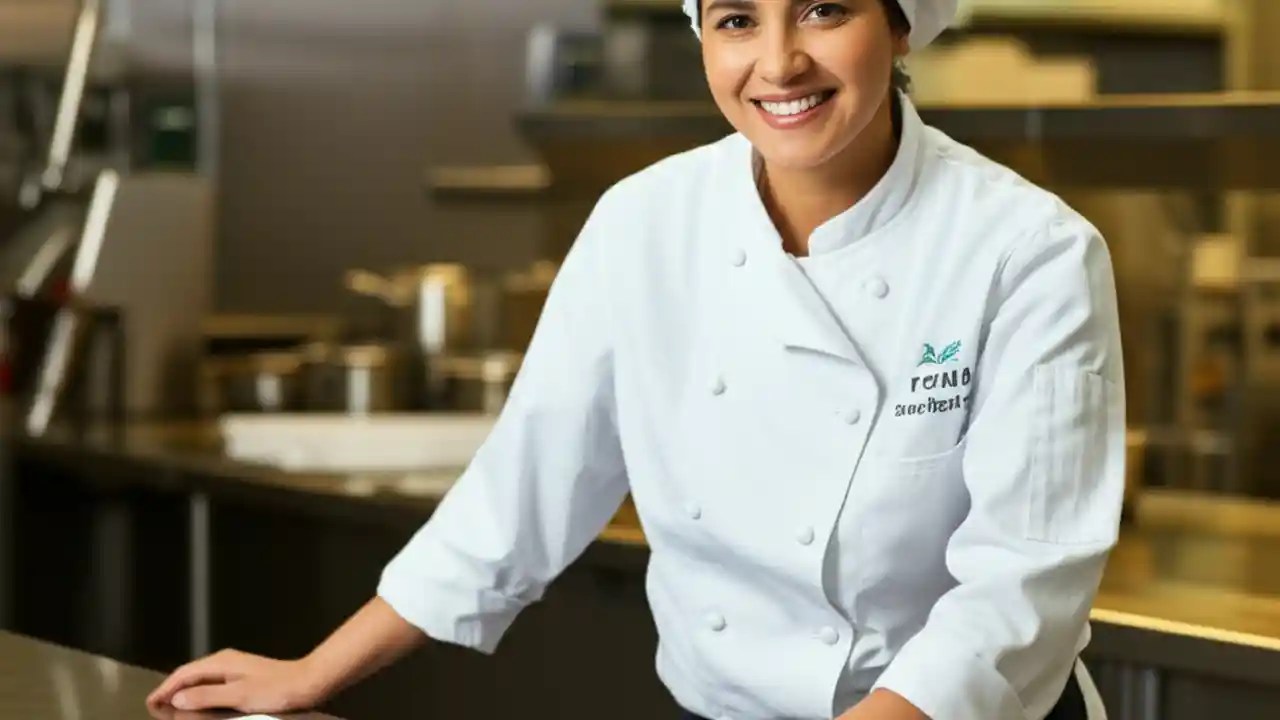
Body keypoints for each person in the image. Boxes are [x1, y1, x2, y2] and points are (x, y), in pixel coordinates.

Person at [148, 0, 1124, 717]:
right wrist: (312, 671)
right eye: (736, 19)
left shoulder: (1024, 250)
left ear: (901, 24)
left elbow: (1017, 585)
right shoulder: (643, 223)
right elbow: (521, 491)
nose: (777, 63)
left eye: (824, 10)